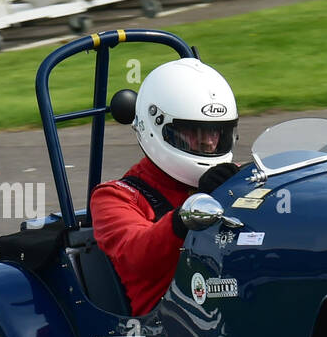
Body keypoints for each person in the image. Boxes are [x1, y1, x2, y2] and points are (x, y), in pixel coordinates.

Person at [90, 58, 240, 315]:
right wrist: (186, 215)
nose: (208, 144)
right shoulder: (114, 197)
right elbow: (137, 256)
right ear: (158, 127)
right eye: (195, 133)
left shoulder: (232, 179)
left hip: (232, 302)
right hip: (170, 324)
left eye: (216, 132)